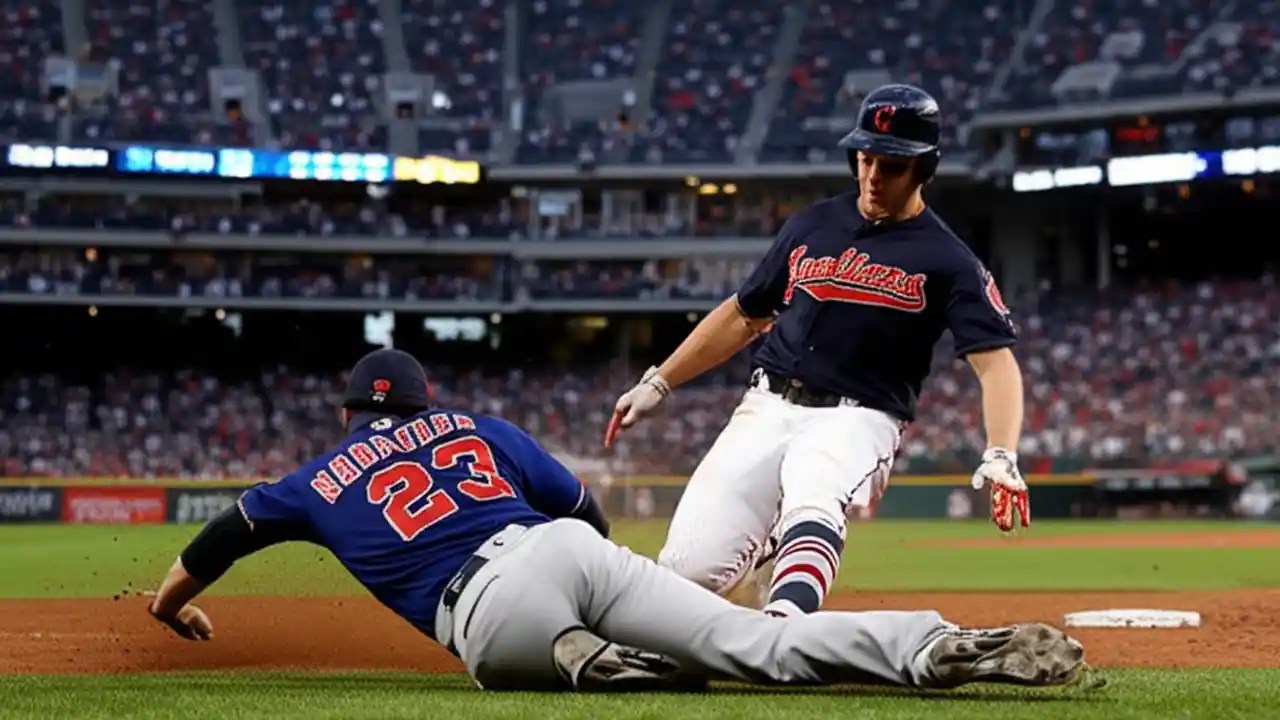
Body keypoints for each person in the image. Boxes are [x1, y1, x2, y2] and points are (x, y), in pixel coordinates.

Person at [144, 349, 1085, 692]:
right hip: (563, 547)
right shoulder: (475, 427)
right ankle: (931, 646)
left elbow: (222, 536)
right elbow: (580, 507)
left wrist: (167, 605)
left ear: (350, 415)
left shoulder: (316, 477)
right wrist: (606, 574)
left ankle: (579, 659)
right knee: (755, 644)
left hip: (488, 606)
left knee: (506, 653)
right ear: (426, 401)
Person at [605, 84, 1030, 616]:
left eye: (891, 165)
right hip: (766, 405)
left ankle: (786, 626)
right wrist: (660, 381)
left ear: (924, 168)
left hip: (858, 417)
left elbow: (996, 363)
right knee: (686, 573)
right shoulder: (812, 225)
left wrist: (1001, 452)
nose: (873, 176)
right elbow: (744, 314)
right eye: (866, 158)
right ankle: (766, 549)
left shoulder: (948, 259)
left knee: (814, 503)